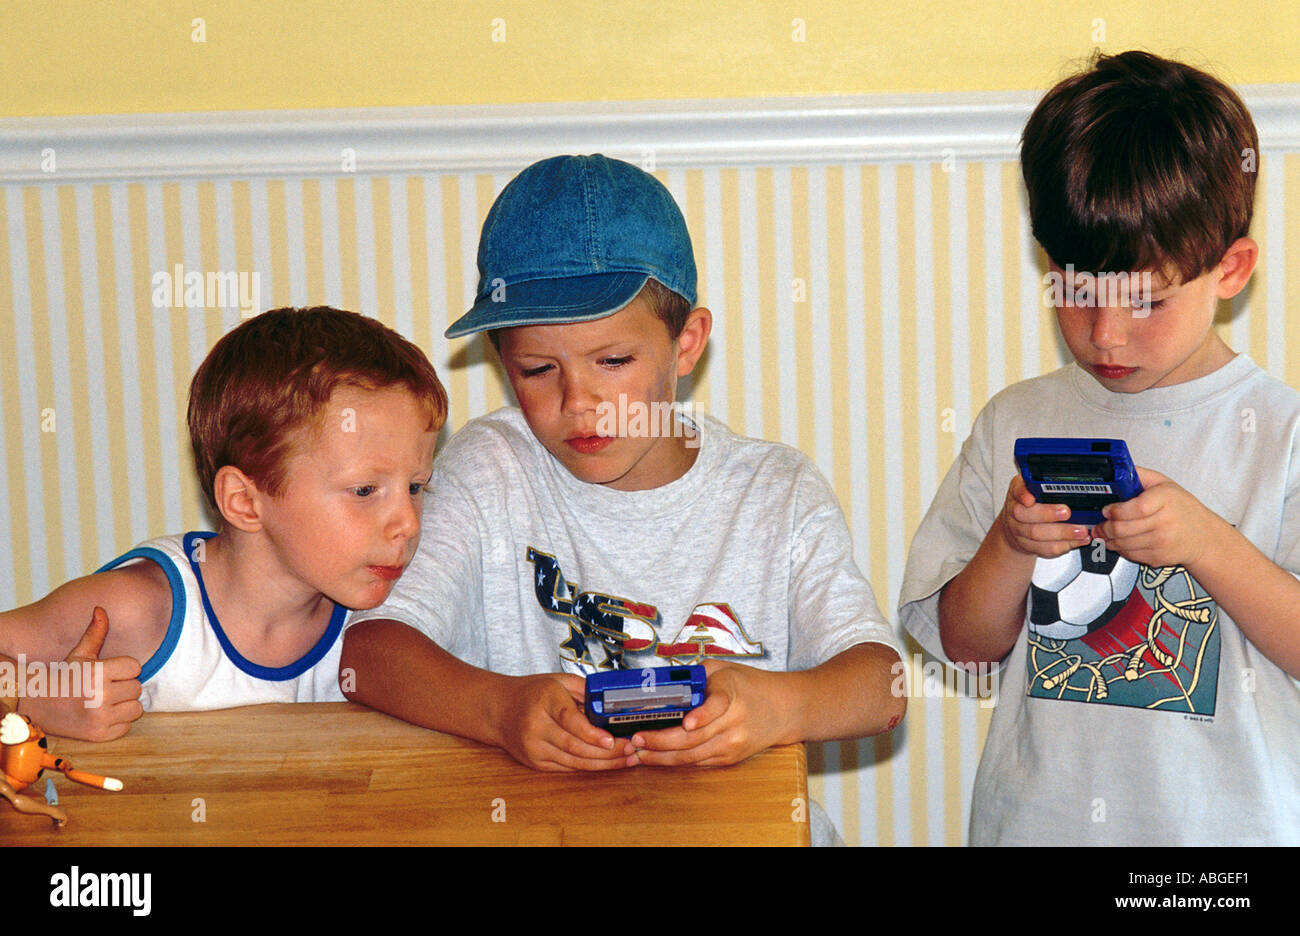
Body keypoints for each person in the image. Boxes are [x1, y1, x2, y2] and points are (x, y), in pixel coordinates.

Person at [341, 155, 904, 843]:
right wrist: (502, 710)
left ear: (686, 343)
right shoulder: (489, 472)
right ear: (500, 359)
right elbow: (366, 657)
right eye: (539, 369)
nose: (579, 403)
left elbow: (881, 687)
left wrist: (772, 706)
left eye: (613, 362)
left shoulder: (774, 491)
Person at [899, 50, 1300, 845]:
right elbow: (965, 651)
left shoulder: (1282, 434)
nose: (1106, 335)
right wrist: (1012, 545)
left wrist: (1205, 543)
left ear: (1232, 269)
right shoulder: (1015, 420)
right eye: (1076, 292)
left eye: (1146, 300)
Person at [0, 306, 446, 741]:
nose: (407, 523)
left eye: (416, 486)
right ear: (244, 502)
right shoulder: (143, 610)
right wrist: (36, 700)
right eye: (365, 491)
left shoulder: (384, 618)